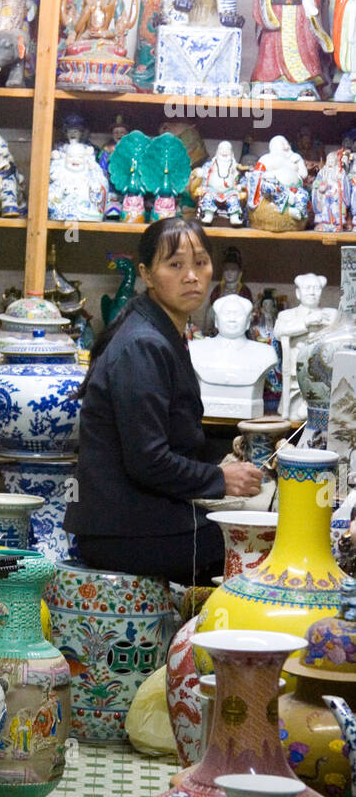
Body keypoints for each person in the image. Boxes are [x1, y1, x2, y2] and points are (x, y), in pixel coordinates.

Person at [64, 217, 263, 584]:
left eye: (201, 263)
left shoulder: (160, 330)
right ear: (147, 274)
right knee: (261, 539)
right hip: (123, 532)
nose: (192, 276)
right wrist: (219, 479)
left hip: (138, 520)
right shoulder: (145, 344)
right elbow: (147, 460)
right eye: (175, 265)